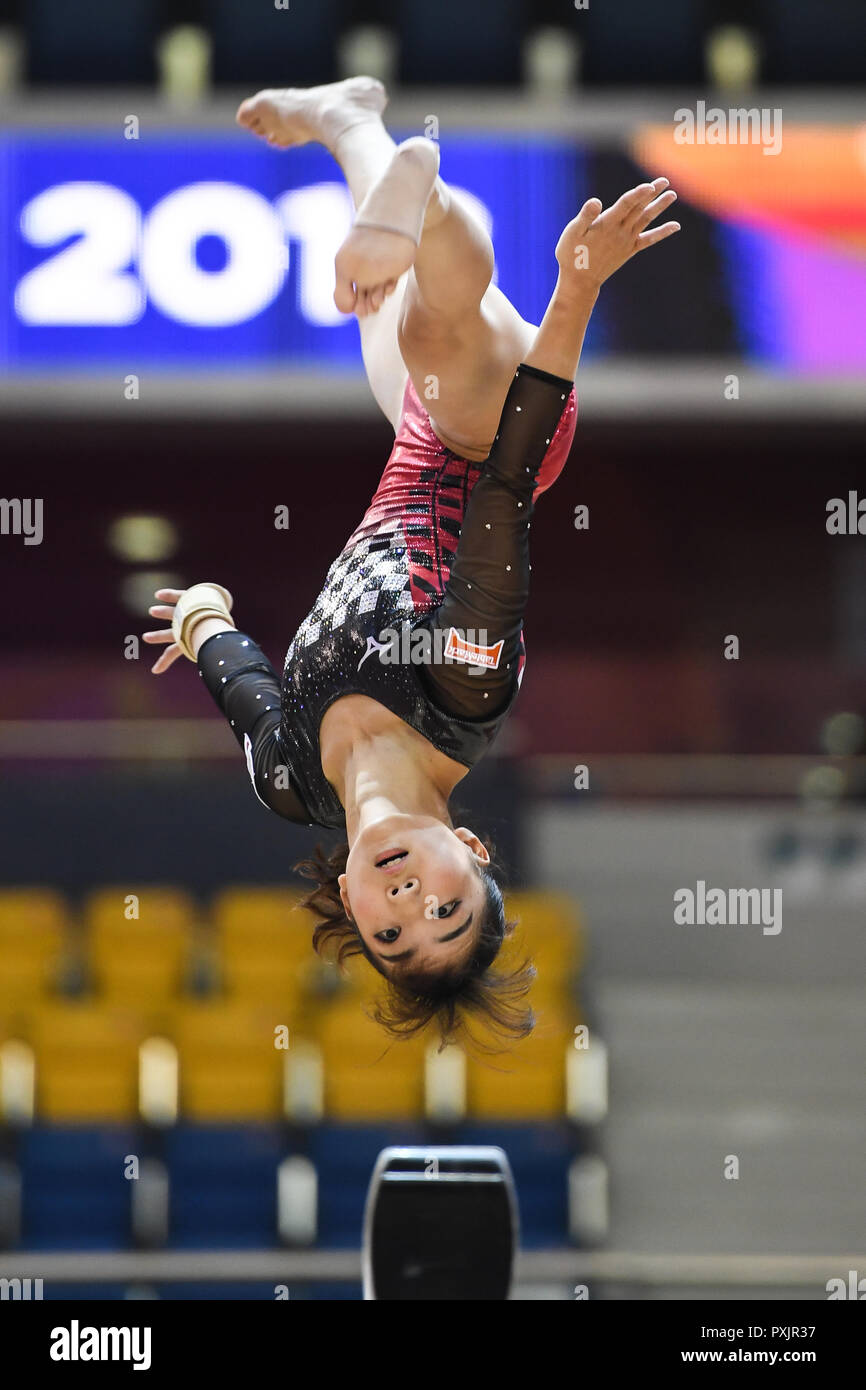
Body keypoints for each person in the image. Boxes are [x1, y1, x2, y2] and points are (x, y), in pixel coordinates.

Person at [144, 78, 680, 1046]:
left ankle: (351, 119)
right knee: (438, 320)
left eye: (390, 933)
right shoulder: (462, 691)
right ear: (469, 848)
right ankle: (423, 191)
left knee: (380, 293)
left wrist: (200, 616)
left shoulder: (288, 781)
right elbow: (507, 488)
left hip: (409, 439)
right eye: (447, 906)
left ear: (350, 909)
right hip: (498, 437)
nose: (405, 900)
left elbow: (238, 673)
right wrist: (576, 292)